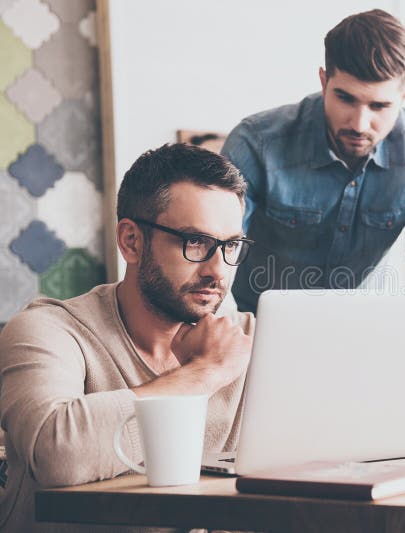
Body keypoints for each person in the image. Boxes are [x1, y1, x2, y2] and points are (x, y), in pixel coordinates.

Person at [0, 143, 255, 532]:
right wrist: (204, 373)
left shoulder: (253, 340)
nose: (217, 271)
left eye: (230, 245)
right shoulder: (48, 330)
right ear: (132, 241)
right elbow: (57, 455)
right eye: (195, 242)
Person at [221, 9, 405, 313]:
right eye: (346, 98)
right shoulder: (255, 143)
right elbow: (215, 257)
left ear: (404, 97)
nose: (359, 124)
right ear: (323, 81)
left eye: (379, 106)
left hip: (357, 326)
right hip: (255, 324)